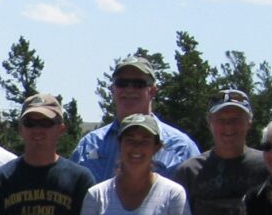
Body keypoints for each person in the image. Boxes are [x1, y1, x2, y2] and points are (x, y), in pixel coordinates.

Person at [70, 55, 202, 182]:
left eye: (138, 84)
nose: (129, 89)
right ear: (112, 89)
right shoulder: (88, 145)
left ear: (153, 91)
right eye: (122, 83)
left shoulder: (181, 147)